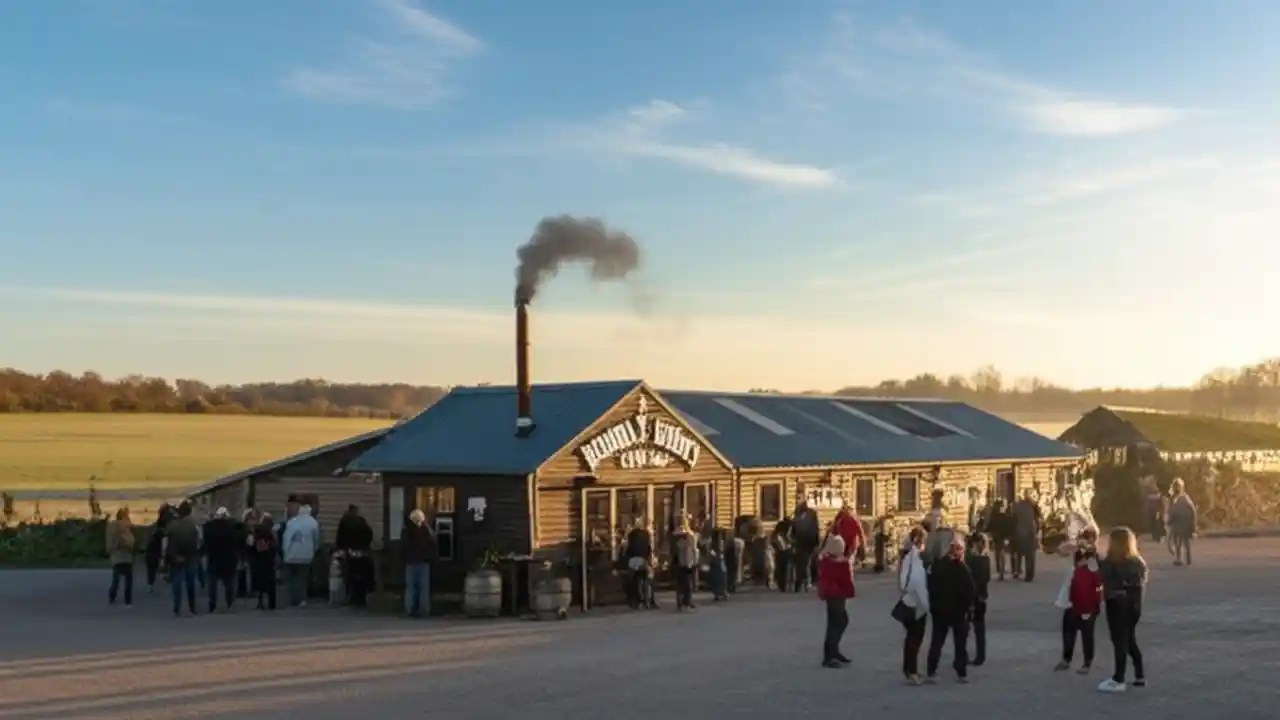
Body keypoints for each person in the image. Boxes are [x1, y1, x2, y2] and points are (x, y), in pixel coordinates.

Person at [1097, 526, 1148, 693]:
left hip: (1117, 605)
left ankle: (1119, 678)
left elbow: (1103, 573)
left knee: (1119, 641)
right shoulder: (1138, 562)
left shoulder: (1113, 562)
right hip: (1134, 606)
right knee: (1129, 639)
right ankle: (1139, 675)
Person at [926, 535, 976, 684]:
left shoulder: (937, 566)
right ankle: (961, 672)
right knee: (960, 644)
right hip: (958, 612)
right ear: (959, 551)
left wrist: (933, 606)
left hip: (939, 611)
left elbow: (930, 587)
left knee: (937, 641)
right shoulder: (962, 568)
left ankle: (931, 670)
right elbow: (970, 590)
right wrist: (967, 608)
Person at [1057, 547, 1102, 674]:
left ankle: (1068, 659)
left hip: (1075, 606)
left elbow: (1066, 591)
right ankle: (1086, 662)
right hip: (1087, 607)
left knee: (1070, 633)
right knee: (1086, 635)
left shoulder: (1074, 572)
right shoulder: (1093, 570)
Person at [898, 526, 931, 686]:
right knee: (914, 638)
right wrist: (924, 602)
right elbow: (913, 582)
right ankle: (911, 671)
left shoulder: (909, 557)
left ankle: (910, 669)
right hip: (915, 604)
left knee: (912, 638)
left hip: (912, 601)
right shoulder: (914, 558)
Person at [817, 534, 854, 668]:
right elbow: (843, 580)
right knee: (838, 622)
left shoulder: (827, 561)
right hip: (836, 595)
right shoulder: (836, 563)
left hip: (833, 595)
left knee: (836, 623)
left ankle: (832, 651)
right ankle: (830, 654)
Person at [281, 504, 320, 608]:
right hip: (306, 555)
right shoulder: (313, 523)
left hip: (291, 555)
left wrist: (285, 552)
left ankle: (293, 598)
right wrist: (314, 550)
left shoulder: (291, 522)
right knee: (302, 578)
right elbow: (316, 539)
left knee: (291, 578)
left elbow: (286, 539)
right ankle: (301, 599)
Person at [165, 501, 201, 617]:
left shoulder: (171, 526)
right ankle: (192, 607)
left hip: (176, 556)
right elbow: (197, 542)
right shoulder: (193, 526)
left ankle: (177, 607)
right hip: (190, 556)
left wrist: (167, 557)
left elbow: (166, 543)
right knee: (190, 583)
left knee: (177, 582)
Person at [336, 504, 375, 606]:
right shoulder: (362, 523)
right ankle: (361, 597)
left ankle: (351, 596)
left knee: (350, 576)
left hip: (351, 553)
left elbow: (340, 538)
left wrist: (342, 549)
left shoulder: (345, 522)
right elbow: (369, 534)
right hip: (363, 553)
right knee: (363, 576)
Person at [203, 507, 240, 612]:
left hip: (214, 558)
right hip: (229, 559)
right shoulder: (232, 527)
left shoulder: (209, 527)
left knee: (212, 584)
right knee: (229, 583)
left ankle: (212, 604)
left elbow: (206, 542)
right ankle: (229, 601)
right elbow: (237, 542)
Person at [401, 509, 436, 618]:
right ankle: (424, 610)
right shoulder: (426, 530)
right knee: (423, 588)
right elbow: (433, 542)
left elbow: (404, 546)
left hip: (411, 562)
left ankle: (410, 609)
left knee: (411, 588)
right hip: (423, 561)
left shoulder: (407, 530)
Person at [965, 532, 991, 666]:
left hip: (971, 598)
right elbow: (986, 578)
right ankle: (980, 656)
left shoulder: (970, 560)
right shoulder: (985, 559)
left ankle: (965, 654)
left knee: (965, 628)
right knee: (979, 628)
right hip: (981, 597)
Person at [106, 507, 136, 606]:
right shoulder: (127, 527)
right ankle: (128, 600)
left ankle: (112, 596)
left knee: (116, 580)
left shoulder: (112, 527)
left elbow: (110, 545)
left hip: (117, 558)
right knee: (128, 580)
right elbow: (132, 542)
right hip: (127, 557)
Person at [1011, 490, 1042, 582]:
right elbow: (1038, 518)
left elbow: (1013, 519)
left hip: (1019, 532)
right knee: (1030, 555)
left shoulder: (1016, 506)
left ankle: (1016, 571)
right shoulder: (1033, 505)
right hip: (1030, 532)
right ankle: (1029, 575)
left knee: (1017, 552)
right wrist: (1037, 530)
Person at [1167, 479, 1198, 567]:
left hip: (1184, 522)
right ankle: (1178, 559)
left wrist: (1193, 525)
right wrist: (1170, 520)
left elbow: (1192, 510)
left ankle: (1188, 559)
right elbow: (1170, 510)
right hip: (1176, 522)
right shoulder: (1173, 498)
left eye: (1178, 486)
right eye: (1175, 486)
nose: (1176, 488)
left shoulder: (1185, 497)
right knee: (1177, 542)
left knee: (1185, 542)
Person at [791, 500, 820, 592]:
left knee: (801, 563)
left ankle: (800, 583)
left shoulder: (798, 514)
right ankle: (807, 582)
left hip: (801, 541)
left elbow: (794, 528)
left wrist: (793, 539)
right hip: (808, 541)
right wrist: (817, 541)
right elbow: (815, 528)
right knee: (807, 563)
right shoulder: (811, 513)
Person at [250, 513, 278, 610]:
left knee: (260, 582)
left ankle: (260, 601)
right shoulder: (271, 535)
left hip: (258, 561)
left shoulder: (257, 533)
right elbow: (275, 547)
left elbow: (252, 547)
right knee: (271, 583)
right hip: (269, 562)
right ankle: (272, 604)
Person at [674, 519, 700, 611]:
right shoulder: (688, 535)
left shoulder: (678, 535)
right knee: (687, 583)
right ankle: (685, 602)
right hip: (687, 562)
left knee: (682, 583)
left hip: (683, 562)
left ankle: (683, 602)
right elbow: (692, 549)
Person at [145, 504, 172, 593]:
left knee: (152, 565)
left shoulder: (160, 522)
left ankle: (151, 583)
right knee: (156, 562)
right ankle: (165, 574)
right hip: (158, 545)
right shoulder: (166, 520)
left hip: (154, 546)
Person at [987, 499, 1014, 581]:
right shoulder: (1002, 516)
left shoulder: (999, 516)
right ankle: (1001, 568)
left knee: (999, 552)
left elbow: (989, 526)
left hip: (1000, 537)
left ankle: (1000, 569)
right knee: (1000, 552)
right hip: (1000, 537)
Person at [770, 515, 794, 592]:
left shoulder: (778, 530)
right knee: (787, 567)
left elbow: (773, 540)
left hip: (780, 551)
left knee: (780, 568)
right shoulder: (789, 527)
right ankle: (786, 584)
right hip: (786, 549)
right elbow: (789, 539)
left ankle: (782, 585)